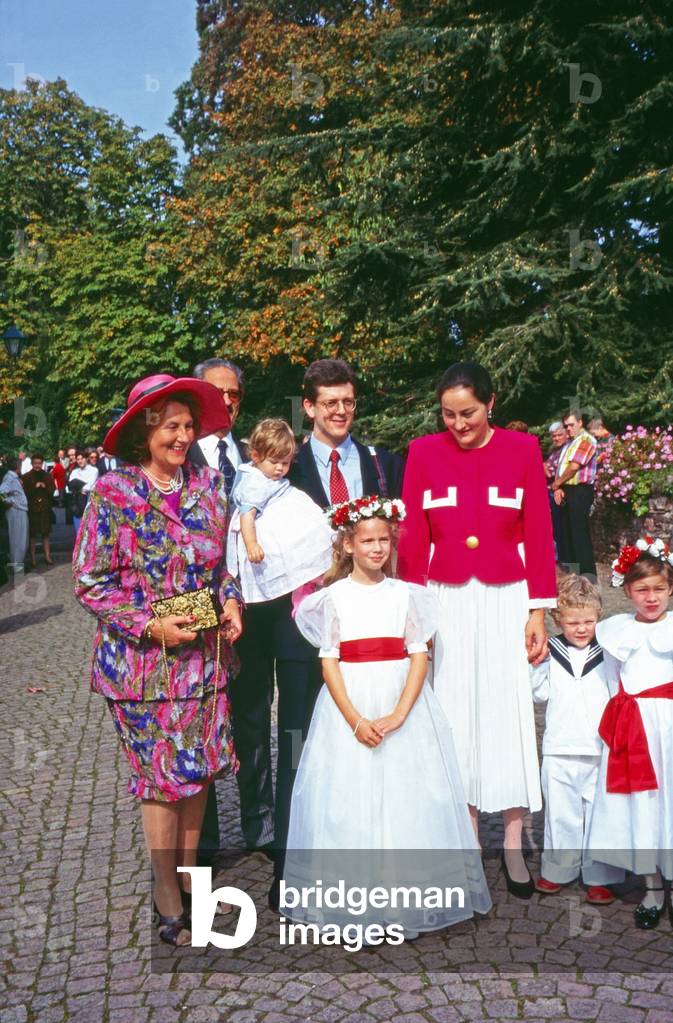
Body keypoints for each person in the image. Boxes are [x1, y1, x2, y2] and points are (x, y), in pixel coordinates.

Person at [72, 373, 243, 947]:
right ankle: (167, 893)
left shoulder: (209, 484)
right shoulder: (113, 493)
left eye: (189, 425)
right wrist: (149, 624)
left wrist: (231, 602)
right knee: (161, 779)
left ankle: (192, 879)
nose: (183, 436)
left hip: (203, 657)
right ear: (143, 431)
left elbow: (221, 568)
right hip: (141, 665)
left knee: (197, 774)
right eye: (171, 426)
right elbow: (90, 581)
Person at [284, 495, 491, 933]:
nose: (377, 548)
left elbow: (419, 656)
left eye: (384, 540)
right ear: (347, 545)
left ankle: (407, 896)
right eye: (367, 541)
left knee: (408, 795)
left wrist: (399, 714)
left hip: (402, 703)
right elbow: (329, 662)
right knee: (348, 796)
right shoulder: (332, 598)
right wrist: (355, 719)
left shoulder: (406, 596)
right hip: (351, 705)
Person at [397, 360, 556, 899]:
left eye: (467, 412)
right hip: (445, 599)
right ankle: (465, 842)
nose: (458, 424)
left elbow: (538, 530)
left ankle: (512, 843)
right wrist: (415, 612)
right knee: (454, 713)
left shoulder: (523, 449)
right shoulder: (422, 452)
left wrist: (538, 610)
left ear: (491, 403)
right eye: (448, 414)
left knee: (508, 711)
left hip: (507, 596)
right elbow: (414, 536)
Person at [587, 538, 673, 930]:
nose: (651, 598)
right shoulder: (616, 633)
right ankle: (652, 886)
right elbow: (611, 681)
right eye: (642, 590)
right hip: (636, 729)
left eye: (659, 588)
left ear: (670, 589)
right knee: (644, 805)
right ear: (627, 592)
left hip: (669, 728)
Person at [530, 574, 623, 903]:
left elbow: (619, 694)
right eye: (573, 623)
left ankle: (601, 875)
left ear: (599, 616)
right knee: (560, 814)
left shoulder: (609, 652)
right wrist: (535, 665)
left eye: (588, 621)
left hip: (600, 748)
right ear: (558, 620)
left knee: (601, 814)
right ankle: (559, 870)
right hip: (559, 747)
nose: (581, 629)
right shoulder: (551, 651)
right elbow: (539, 694)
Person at [227, 418, 333, 604]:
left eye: (285, 463)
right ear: (255, 456)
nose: (280, 468)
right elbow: (246, 516)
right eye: (274, 462)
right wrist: (252, 544)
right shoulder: (253, 483)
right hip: (267, 535)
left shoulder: (270, 478)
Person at [550, 410, 598, 578]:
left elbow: (574, 467)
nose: (568, 429)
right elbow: (562, 467)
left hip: (580, 491)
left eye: (571, 425)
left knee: (579, 534)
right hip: (568, 490)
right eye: (566, 426)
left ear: (580, 423)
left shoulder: (585, 440)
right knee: (566, 534)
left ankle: (588, 577)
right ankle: (573, 577)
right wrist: (559, 487)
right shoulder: (571, 443)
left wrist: (557, 483)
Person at [190, 358, 247, 493]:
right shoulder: (180, 457)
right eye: (217, 393)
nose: (227, 402)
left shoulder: (255, 456)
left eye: (233, 394)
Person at [21, 454, 56, 567]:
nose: (37, 465)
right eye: (35, 463)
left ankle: (47, 557)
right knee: (32, 535)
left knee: (46, 534)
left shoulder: (47, 476)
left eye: (39, 463)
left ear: (42, 463)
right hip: (32, 509)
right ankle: (33, 559)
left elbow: (52, 491)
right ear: (32, 463)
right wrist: (34, 487)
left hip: (45, 509)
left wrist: (45, 487)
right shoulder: (26, 477)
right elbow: (24, 494)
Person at [0, 457, 29, 574]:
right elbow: (1, 492)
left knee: (20, 539)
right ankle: (17, 568)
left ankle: (18, 566)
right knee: (18, 539)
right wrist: (9, 502)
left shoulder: (13, 478)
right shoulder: (10, 478)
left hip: (19, 510)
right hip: (16, 511)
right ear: (17, 467)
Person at [67, 451, 99, 535]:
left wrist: (76, 485)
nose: (80, 461)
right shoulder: (74, 471)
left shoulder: (94, 470)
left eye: (82, 458)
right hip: (77, 503)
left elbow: (89, 487)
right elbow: (69, 487)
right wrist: (80, 487)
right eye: (78, 459)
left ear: (86, 459)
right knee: (78, 532)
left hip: (89, 502)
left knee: (90, 532)